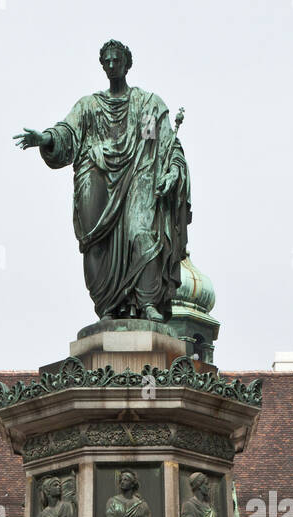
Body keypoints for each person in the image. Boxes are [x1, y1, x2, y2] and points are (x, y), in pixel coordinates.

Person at [13, 39, 191, 322]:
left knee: (141, 233)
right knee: (94, 244)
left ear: (127, 63)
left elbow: (158, 145)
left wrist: (171, 170)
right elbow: (68, 132)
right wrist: (44, 138)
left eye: (116, 60)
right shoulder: (89, 106)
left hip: (136, 179)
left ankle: (146, 302)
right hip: (95, 178)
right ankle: (107, 306)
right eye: (106, 61)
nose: (111, 65)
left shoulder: (144, 105)